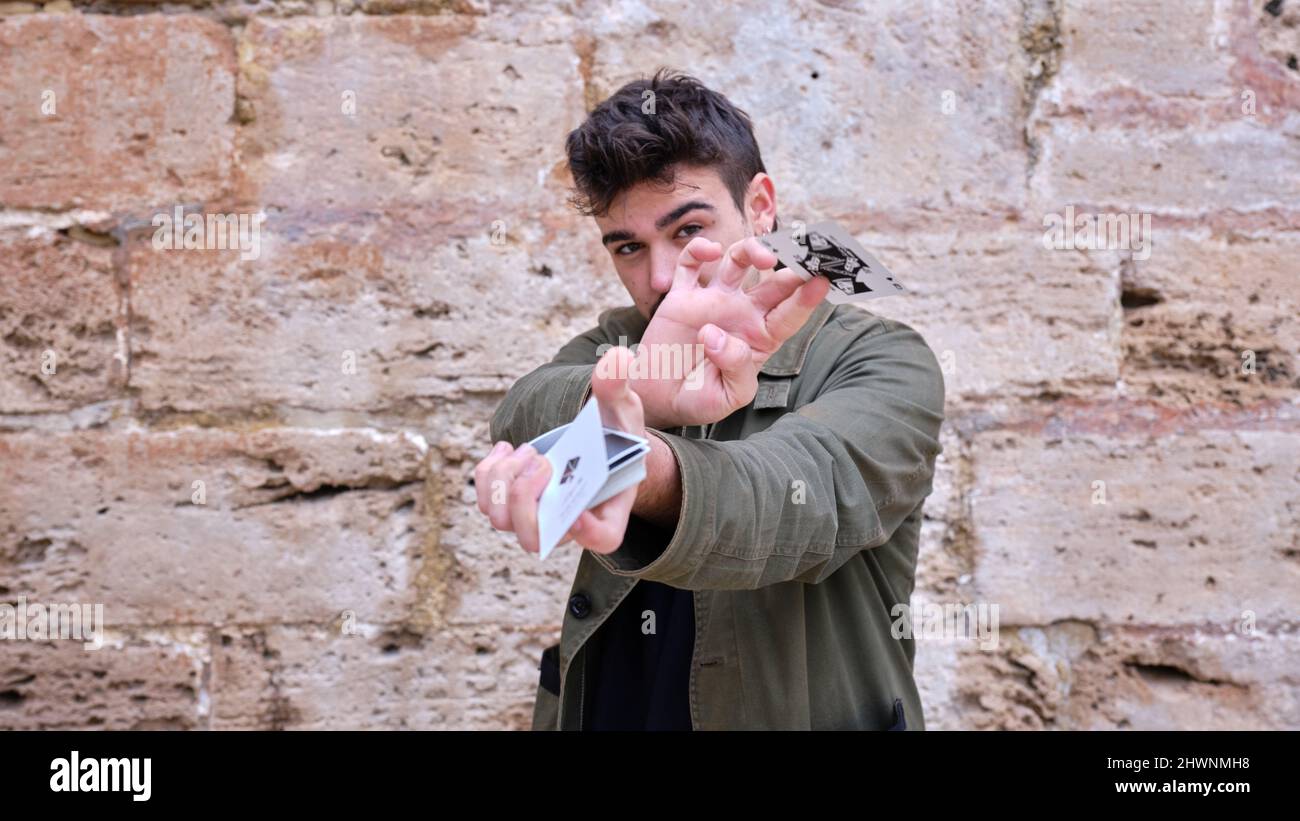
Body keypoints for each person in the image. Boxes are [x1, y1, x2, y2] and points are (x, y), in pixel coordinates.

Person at [474, 68, 945, 730]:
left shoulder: (884, 360)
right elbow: (522, 412)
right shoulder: (621, 339)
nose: (660, 276)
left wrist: (633, 462)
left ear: (760, 206)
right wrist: (641, 387)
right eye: (628, 246)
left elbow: (793, 503)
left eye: (687, 228)